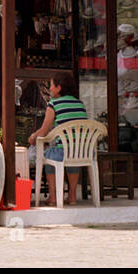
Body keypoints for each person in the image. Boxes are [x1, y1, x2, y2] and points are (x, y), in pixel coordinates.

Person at [27, 77, 89, 205]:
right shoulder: (80, 104)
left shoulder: (54, 104)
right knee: (71, 151)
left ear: (59, 88)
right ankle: (72, 196)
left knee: (51, 153)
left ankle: (53, 197)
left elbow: (43, 132)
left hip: (63, 152)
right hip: (81, 151)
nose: (50, 88)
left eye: (51, 85)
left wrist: (32, 137)